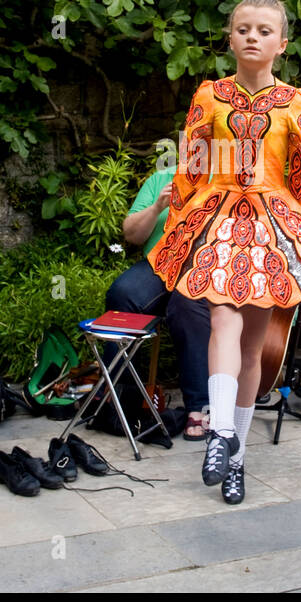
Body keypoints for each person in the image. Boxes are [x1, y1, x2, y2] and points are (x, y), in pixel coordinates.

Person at [149, 0, 301, 505]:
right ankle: (218, 430)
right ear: (230, 38)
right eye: (242, 29)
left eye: (263, 30)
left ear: (282, 44)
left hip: (271, 224)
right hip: (217, 218)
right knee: (222, 320)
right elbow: (191, 164)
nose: (252, 37)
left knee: (254, 347)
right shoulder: (209, 95)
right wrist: (181, 229)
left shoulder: (298, 101)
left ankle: (235, 460)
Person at [103, 162, 211, 439]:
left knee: (186, 306)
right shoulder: (162, 178)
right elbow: (131, 234)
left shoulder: (227, 178)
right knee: (123, 294)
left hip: (206, 268)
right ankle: (121, 401)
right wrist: (157, 207)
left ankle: (199, 407)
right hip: (159, 265)